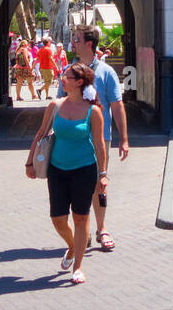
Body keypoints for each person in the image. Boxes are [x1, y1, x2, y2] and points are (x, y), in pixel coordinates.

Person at [26, 62, 107, 285]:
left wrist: (103, 174)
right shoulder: (55, 105)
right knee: (58, 219)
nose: (62, 79)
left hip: (84, 168)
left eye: (66, 77)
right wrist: (29, 163)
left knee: (81, 217)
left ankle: (78, 266)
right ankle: (72, 246)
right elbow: (41, 134)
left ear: (79, 82)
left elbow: (100, 146)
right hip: (57, 169)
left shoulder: (93, 111)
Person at [57, 25, 127, 251]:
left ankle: (102, 228)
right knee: (76, 186)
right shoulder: (68, 72)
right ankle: (82, 231)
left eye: (76, 39)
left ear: (89, 43)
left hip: (99, 139)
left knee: (100, 184)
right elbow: (58, 104)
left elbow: (117, 105)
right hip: (71, 140)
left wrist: (123, 138)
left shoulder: (106, 72)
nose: (73, 43)